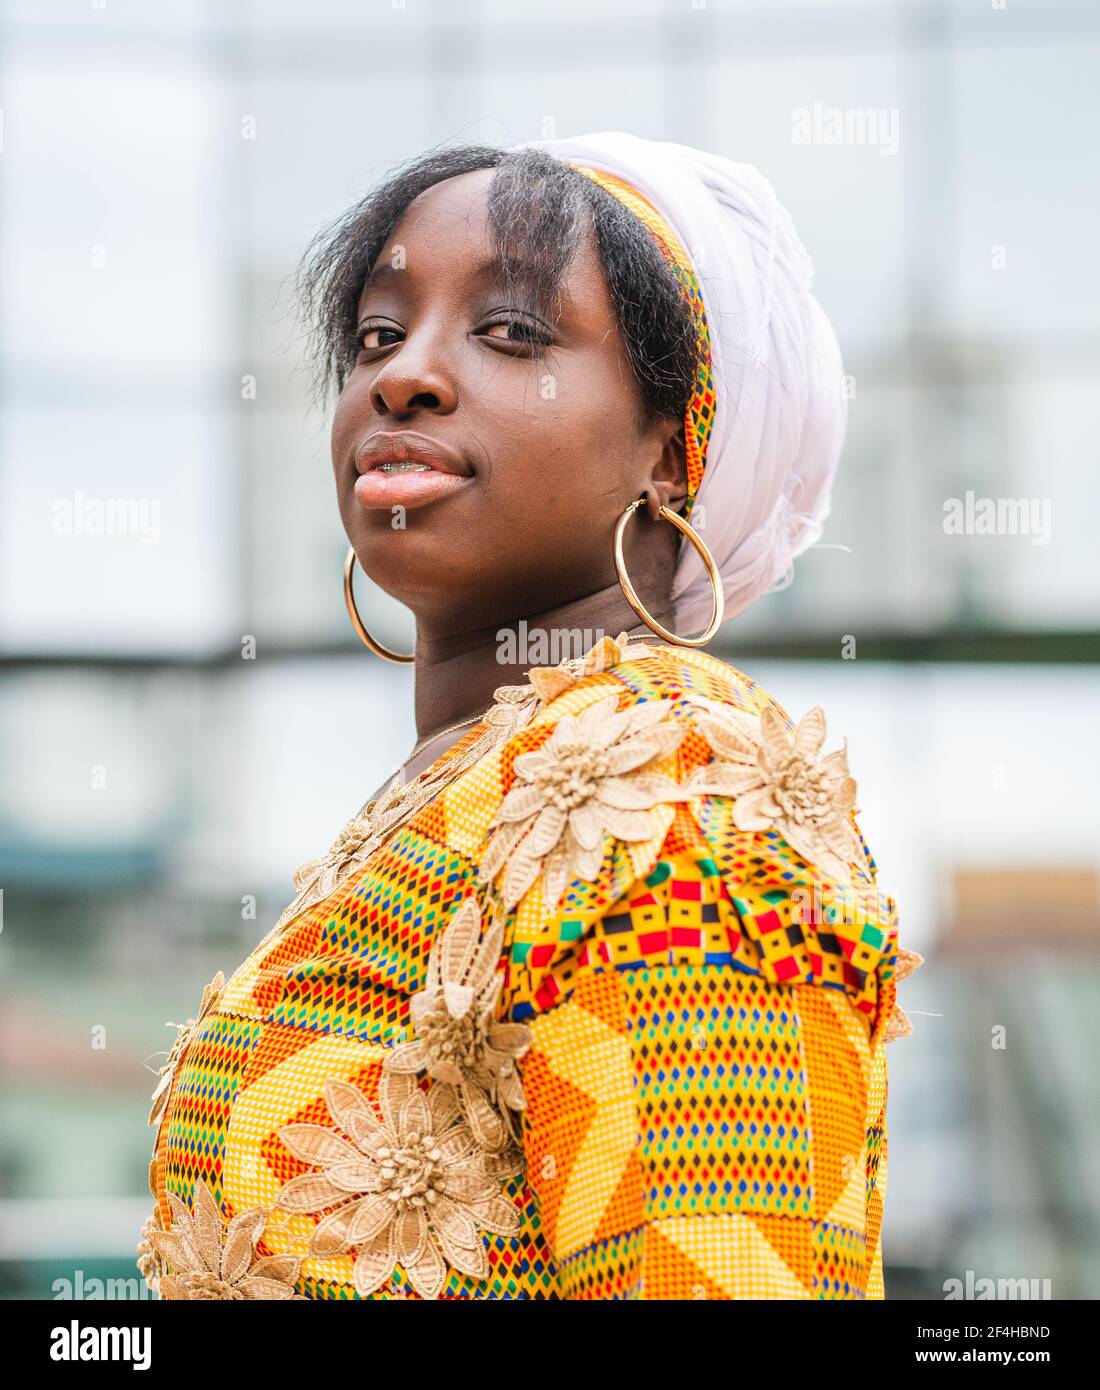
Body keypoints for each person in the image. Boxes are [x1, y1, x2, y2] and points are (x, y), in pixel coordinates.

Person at [136, 131, 920, 1301]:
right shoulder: (457, 787)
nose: (403, 376)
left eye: (511, 331)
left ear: (672, 445)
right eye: (377, 335)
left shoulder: (664, 770)